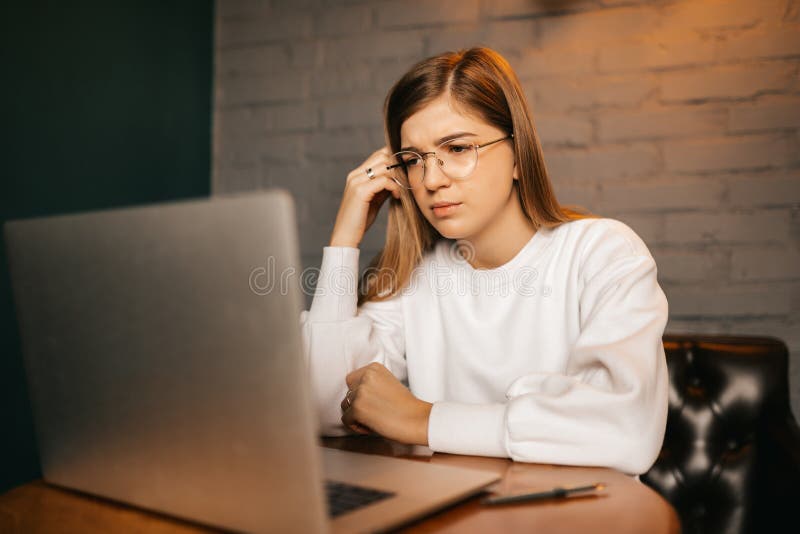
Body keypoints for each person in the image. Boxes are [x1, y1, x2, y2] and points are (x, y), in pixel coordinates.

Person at [300, 47, 669, 475]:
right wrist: (344, 242)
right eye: (413, 160)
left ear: (517, 153)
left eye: (457, 148)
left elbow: (626, 434)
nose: (432, 180)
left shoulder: (604, 253)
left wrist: (422, 419)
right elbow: (325, 412)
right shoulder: (414, 278)